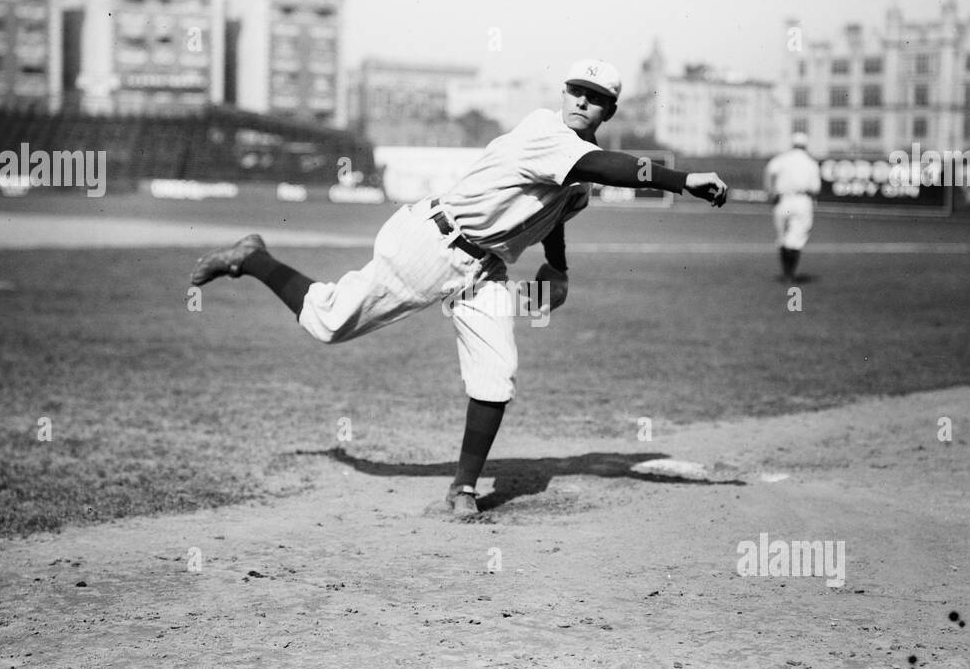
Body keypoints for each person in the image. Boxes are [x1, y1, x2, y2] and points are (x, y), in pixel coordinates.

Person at [189, 59, 728, 519]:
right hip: (433, 242)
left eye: (597, 99)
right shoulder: (545, 132)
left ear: (608, 112)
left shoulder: (577, 169)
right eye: (577, 92)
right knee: (328, 322)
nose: (583, 103)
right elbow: (601, 166)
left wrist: (557, 269)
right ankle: (253, 258)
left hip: (484, 267)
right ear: (563, 94)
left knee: (497, 372)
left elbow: (558, 208)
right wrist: (680, 180)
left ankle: (462, 488)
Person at [764, 132, 821, 280]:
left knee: (782, 237)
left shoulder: (783, 159)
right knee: (795, 240)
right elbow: (815, 189)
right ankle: (790, 273)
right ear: (806, 145)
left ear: (792, 144)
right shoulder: (811, 163)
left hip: (783, 200)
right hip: (802, 200)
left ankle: (785, 272)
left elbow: (769, 171)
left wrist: (770, 191)